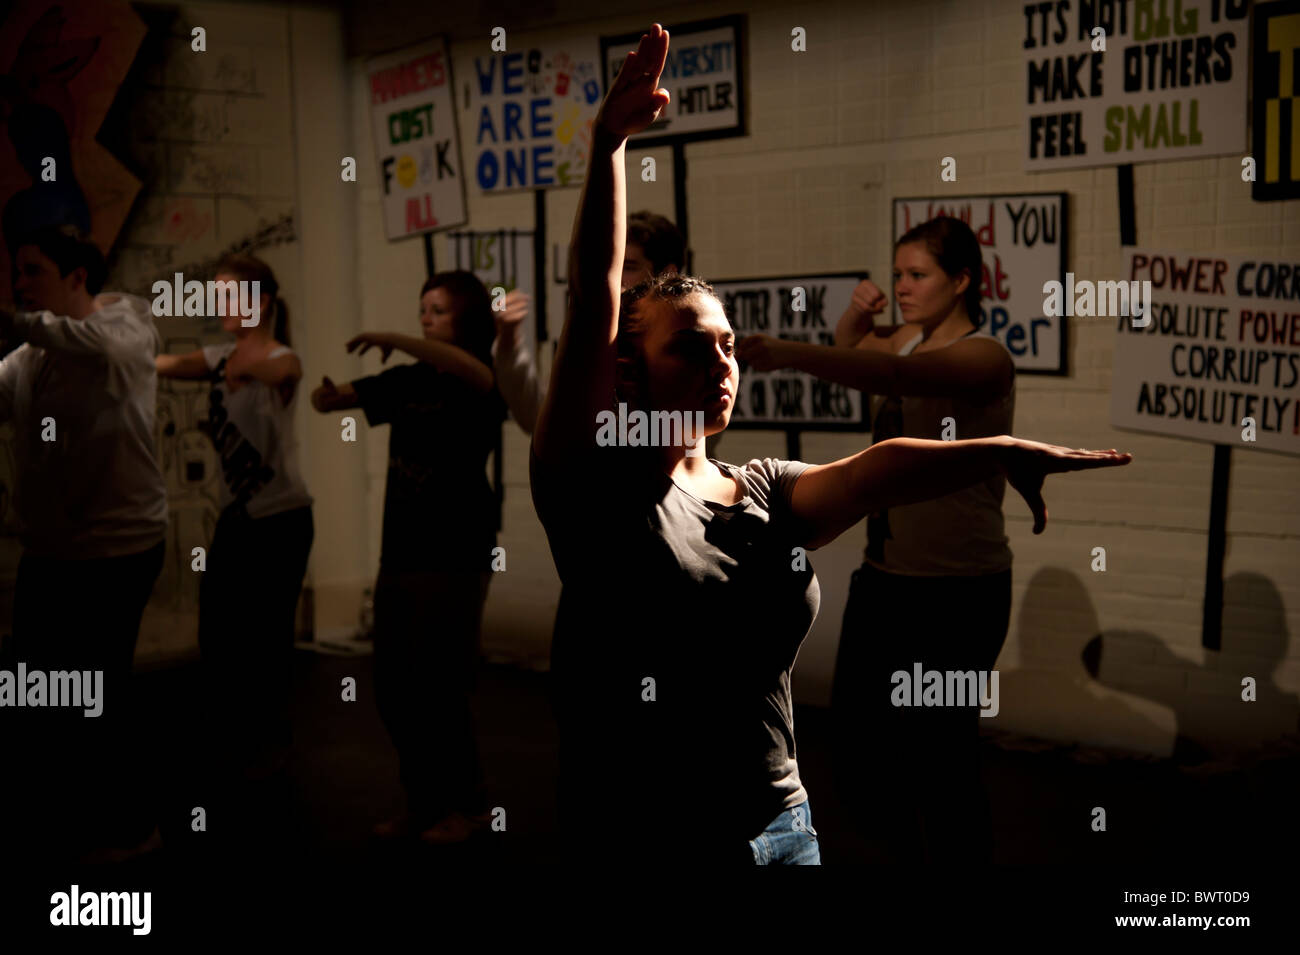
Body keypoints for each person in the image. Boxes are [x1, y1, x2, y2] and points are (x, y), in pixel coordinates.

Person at [531, 23, 1132, 866]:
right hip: (652, 831)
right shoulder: (596, 484)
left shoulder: (759, 486)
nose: (723, 363)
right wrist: (607, 150)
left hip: (779, 820)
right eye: (692, 347)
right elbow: (591, 301)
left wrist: (1002, 449)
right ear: (625, 371)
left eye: (730, 345)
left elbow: (873, 470)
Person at [737, 217, 1019, 863]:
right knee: (860, 748)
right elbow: (867, 363)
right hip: (885, 579)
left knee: (941, 755)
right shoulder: (902, 345)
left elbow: (889, 378)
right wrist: (852, 323)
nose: (903, 286)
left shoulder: (984, 356)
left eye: (918, 275)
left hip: (959, 589)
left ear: (963, 280)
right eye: (897, 275)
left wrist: (790, 350)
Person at [310, 271, 507, 845]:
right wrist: (328, 395)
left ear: (465, 321)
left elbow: (478, 374)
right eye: (422, 309)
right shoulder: (409, 380)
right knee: (396, 686)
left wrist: (398, 339)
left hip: (456, 552)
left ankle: (469, 806)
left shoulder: (478, 381)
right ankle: (424, 803)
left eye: (438, 311)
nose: (425, 319)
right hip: (402, 550)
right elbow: (337, 400)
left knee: (441, 684)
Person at [0, 225, 168, 861]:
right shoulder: (30, 356)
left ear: (76, 277)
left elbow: (89, 345)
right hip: (53, 551)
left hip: (117, 549)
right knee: (41, 687)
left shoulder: (123, 326)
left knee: (96, 690)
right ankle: (68, 814)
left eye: (33, 271)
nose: (20, 284)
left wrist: (12, 319)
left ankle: (132, 827)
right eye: (16, 271)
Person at [155, 253, 313, 780]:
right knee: (219, 632)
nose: (219, 304)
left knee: (266, 636)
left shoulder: (276, 355)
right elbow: (168, 366)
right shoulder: (220, 355)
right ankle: (230, 740)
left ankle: (272, 744)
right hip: (237, 518)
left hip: (282, 519)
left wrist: (250, 367)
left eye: (229, 294)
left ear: (261, 302)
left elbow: (289, 368)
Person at [492, 210, 685, 437]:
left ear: (667, 274)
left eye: (629, 266)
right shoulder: (590, 337)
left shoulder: (689, 341)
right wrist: (509, 339)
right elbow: (540, 419)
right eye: (610, 265)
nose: (614, 278)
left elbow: (691, 439)